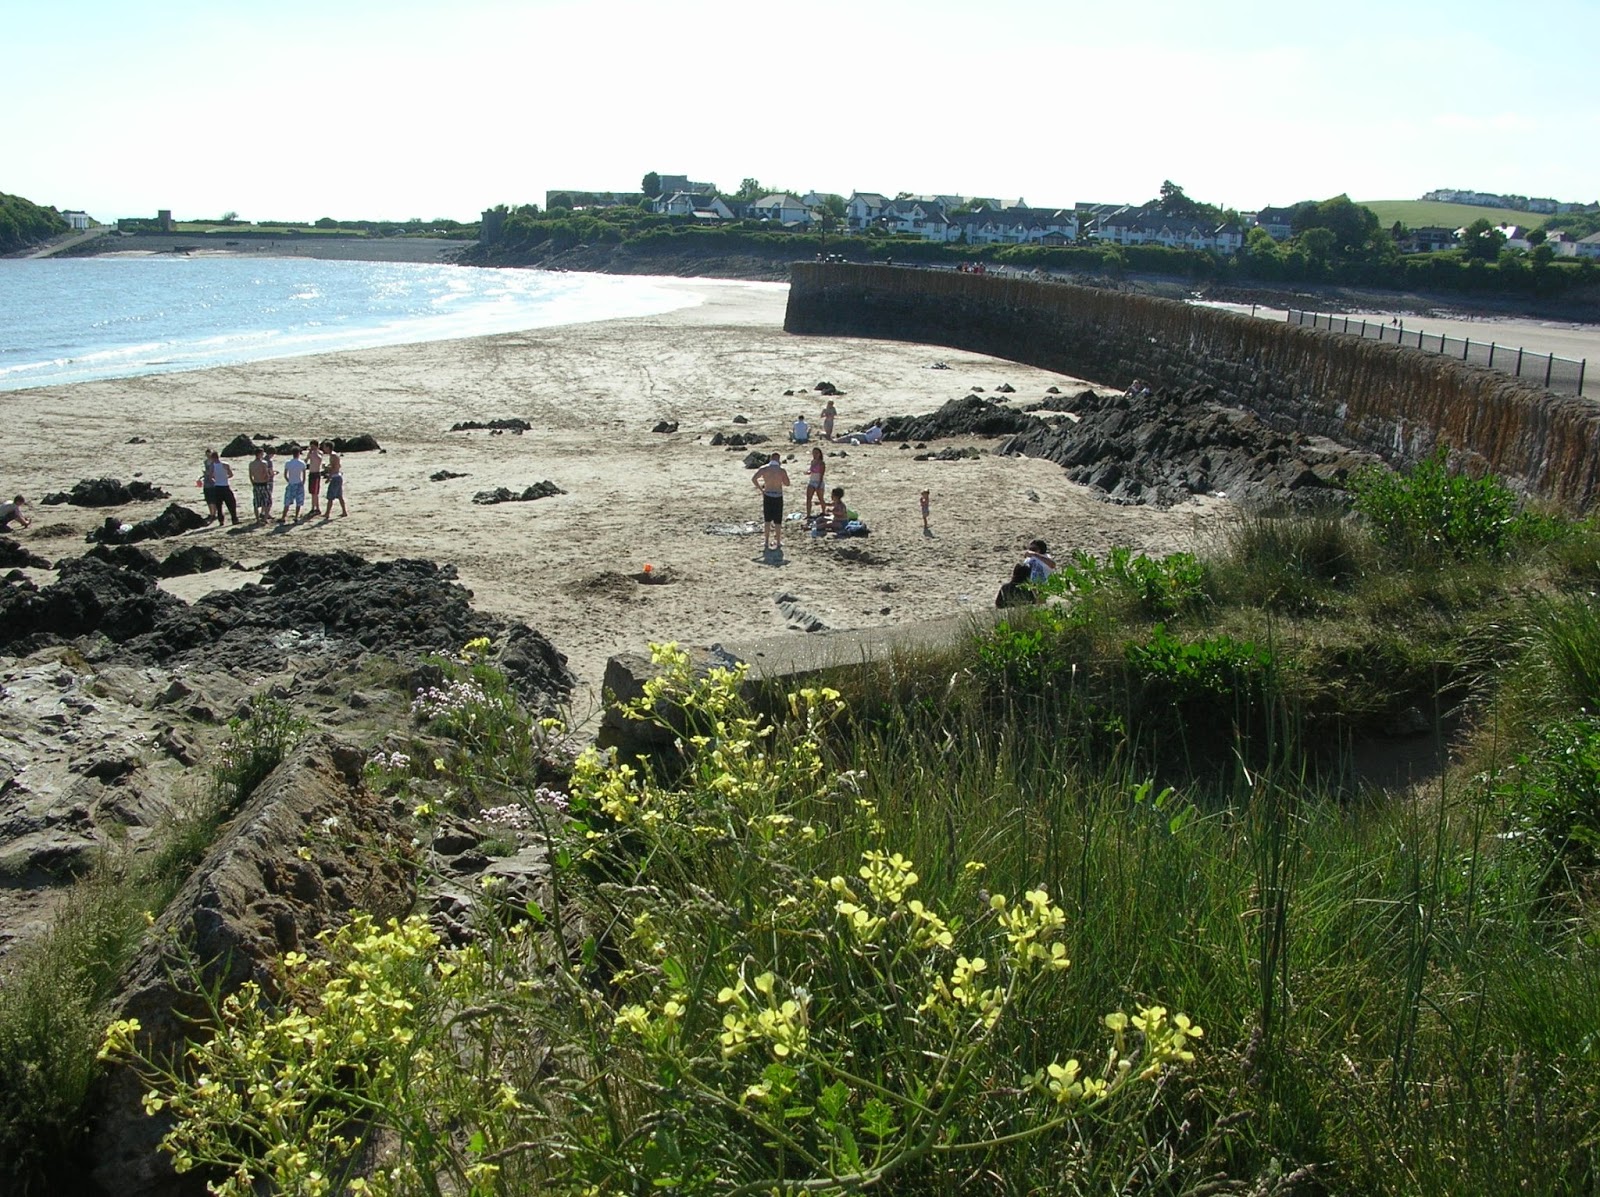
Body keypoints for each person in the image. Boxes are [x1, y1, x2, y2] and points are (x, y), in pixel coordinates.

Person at [752, 452, 790, 551]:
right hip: (778, 495)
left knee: (767, 519)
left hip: (768, 494)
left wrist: (761, 489)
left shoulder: (764, 469)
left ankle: (766, 541)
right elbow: (787, 483)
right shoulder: (781, 470)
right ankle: (778, 542)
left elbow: (754, 479)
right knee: (778, 520)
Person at [206, 450, 238, 526]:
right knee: (231, 504)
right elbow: (231, 475)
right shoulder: (225, 464)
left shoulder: (212, 466)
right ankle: (234, 519)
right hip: (225, 486)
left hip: (217, 487)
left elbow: (210, 477)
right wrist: (225, 478)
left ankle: (221, 521)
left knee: (219, 506)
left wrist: (216, 479)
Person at [280, 447, 307, 523]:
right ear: (298, 454)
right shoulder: (302, 463)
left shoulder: (288, 463)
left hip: (291, 483)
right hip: (298, 483)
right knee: (299, 501)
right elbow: (304, 476)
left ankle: (283, 517)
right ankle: (296, 516)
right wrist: (303, 483)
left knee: (287, 502)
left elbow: (285, 475)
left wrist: (288, 481)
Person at [247, 449, 272, 523]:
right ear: (260, 454)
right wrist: (268, 479)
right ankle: (265, 518)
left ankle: (257, 519)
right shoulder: (264, 463)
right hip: (263, 484)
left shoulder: (251, 464)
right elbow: (266, 474)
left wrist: (253, 483)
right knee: (268, 502)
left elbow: (250, 476)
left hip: (256, 484)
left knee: (256, 502)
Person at [323, 443, 347, 517]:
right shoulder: (333, 455)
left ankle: (327, 513)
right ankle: (344, 512)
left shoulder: (333, 456)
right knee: (339, 496)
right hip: (338, 477)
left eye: (325, 447)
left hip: (335, 478)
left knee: (330, 496)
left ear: (328, 447)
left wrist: (329, 477)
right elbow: (337, 466)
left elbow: (335, 468)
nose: (324, 448)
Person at [805, 447, 826, 518]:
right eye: (814, 453)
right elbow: (811, 470)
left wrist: (819, 484)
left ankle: (823, 511)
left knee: (820, 498)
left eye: (816, 453)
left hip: (818, 481)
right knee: (808, 498)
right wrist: (808, 472)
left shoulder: (821, 463)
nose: (815, 455)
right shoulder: (812, 461)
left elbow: (822, 474)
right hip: (812, 481)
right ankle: (808, 514)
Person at [305, 439, 324, 515]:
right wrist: (309, 454)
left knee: (315, 492)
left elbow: (319, 459)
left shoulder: (319, 453)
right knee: (312, 492)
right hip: (311, 473)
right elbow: (305, 461)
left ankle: (316, 508)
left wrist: (314, 452)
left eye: (313, 446)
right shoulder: (310, 453)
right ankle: (313, 507)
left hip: (316, 473)